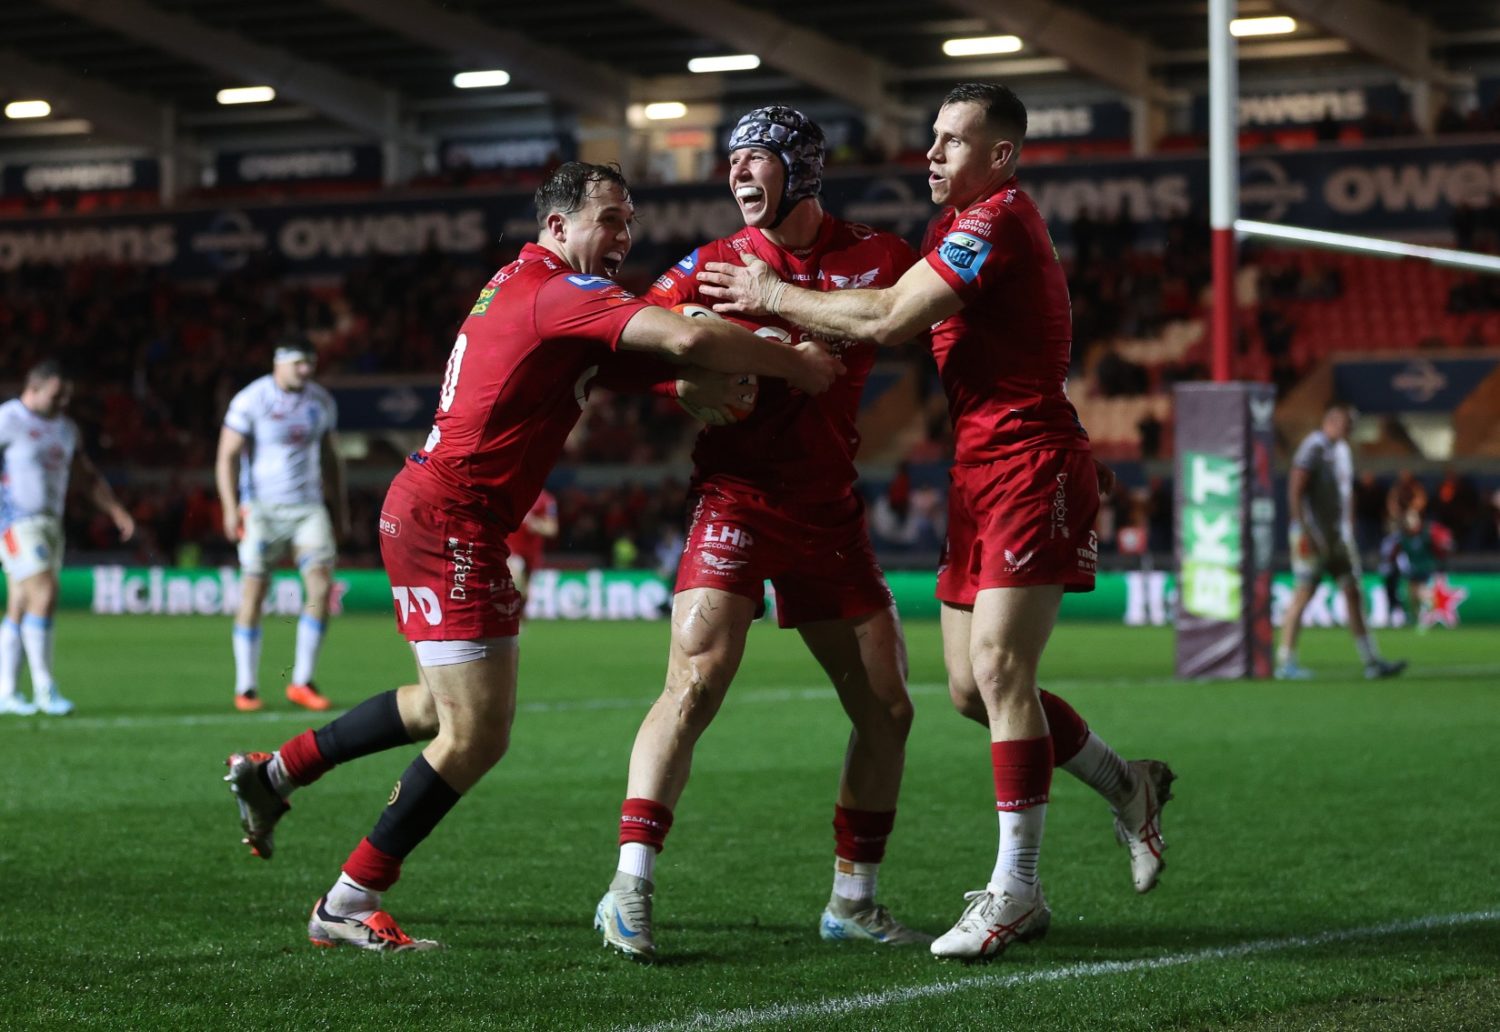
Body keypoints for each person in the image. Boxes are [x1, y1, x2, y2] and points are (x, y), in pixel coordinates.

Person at [222, 161, 842, 952]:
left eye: (630, 221)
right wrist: (795, 361)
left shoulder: (537, 289)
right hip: (451, 521)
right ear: (557, 226)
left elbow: (655, 359)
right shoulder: (556, 290)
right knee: (476, 733)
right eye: (609, 219)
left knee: (436, 706)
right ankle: (347, 899)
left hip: (441, 514)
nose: (624, 235)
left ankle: (274, 773)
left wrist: (698, 374)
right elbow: (683, 336)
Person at [698, 83, 1174, 962]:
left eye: (953, 140)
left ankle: (1016, 890)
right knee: (968, 690)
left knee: (999, 668)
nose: (931, 152)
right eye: (933, 136)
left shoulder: (996, 217)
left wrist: (769, 292)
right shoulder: (952, 226)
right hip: (978, 470)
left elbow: (886, 317)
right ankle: (1128, 785)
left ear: (1001, 156)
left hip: (1027, 461)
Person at [592, 106, 929, 962]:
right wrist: (682, 386)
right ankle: (628, 886)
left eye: (757, 158)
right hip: (735, 499)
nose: (738, 172)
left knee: (888, 709)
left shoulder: (882, 258)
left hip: (829, 509)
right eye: (732, 159)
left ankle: (853, 901)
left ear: (802, 169)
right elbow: (622, 347)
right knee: (695, 681)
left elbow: (933, 320)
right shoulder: (711, 264)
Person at [215, 339, 349, 713]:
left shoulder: (320, 401)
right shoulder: (251, 399)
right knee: (254, 594)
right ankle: (246, 687)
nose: (306, 371)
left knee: (320, 588)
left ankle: (302, 681)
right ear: (279, 363)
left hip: (308, 508)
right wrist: (230, 508)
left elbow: (330, 457)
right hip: (262, 509)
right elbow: (226, 455)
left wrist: (340, 511)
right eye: (299, 363)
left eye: (311, 364)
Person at [0, 360, 135, 716]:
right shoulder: (8, 419)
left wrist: (115, 510)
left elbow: (84, 474)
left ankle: (6, 693)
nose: (63, 402)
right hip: (14, 522)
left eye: (67, 397)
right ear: (34, 387)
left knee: (20, 603)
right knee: (44, 592)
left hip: (50, 524)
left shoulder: (65, 428)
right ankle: (45, 689)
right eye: (57, 395)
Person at [1276, 403, 1405, 680]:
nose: (1350, 431)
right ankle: (1286, 661)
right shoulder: (1313, 448)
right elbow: (1296, 489)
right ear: (1332, 422)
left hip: (1338, 537)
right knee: (1304, 593)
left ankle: (1372, 661)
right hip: (1314, 535)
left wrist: (1348, 526)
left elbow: (1345, 493)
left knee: (1353, 592)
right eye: (1348, 425)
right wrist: (1304, 530)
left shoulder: (1342, 450)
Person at [1379, 508, 1452, 630]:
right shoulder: (1403, 538)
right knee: (1412, 597)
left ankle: (1431, 610)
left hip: (1425, 568)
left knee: (1420, 593)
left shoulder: (1426, 534)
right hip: (1412, 570)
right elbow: (1394, 553)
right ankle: (1418, 621)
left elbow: (1440, 548)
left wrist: (1442, 551)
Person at [504, 487, 557, 607]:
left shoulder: (546, 499)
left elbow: (552, 529)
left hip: (531, 553)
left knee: (524, 594)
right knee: (515, 581)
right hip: (511, 550)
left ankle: (519, 616)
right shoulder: (510, 493)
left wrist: (535, 524)